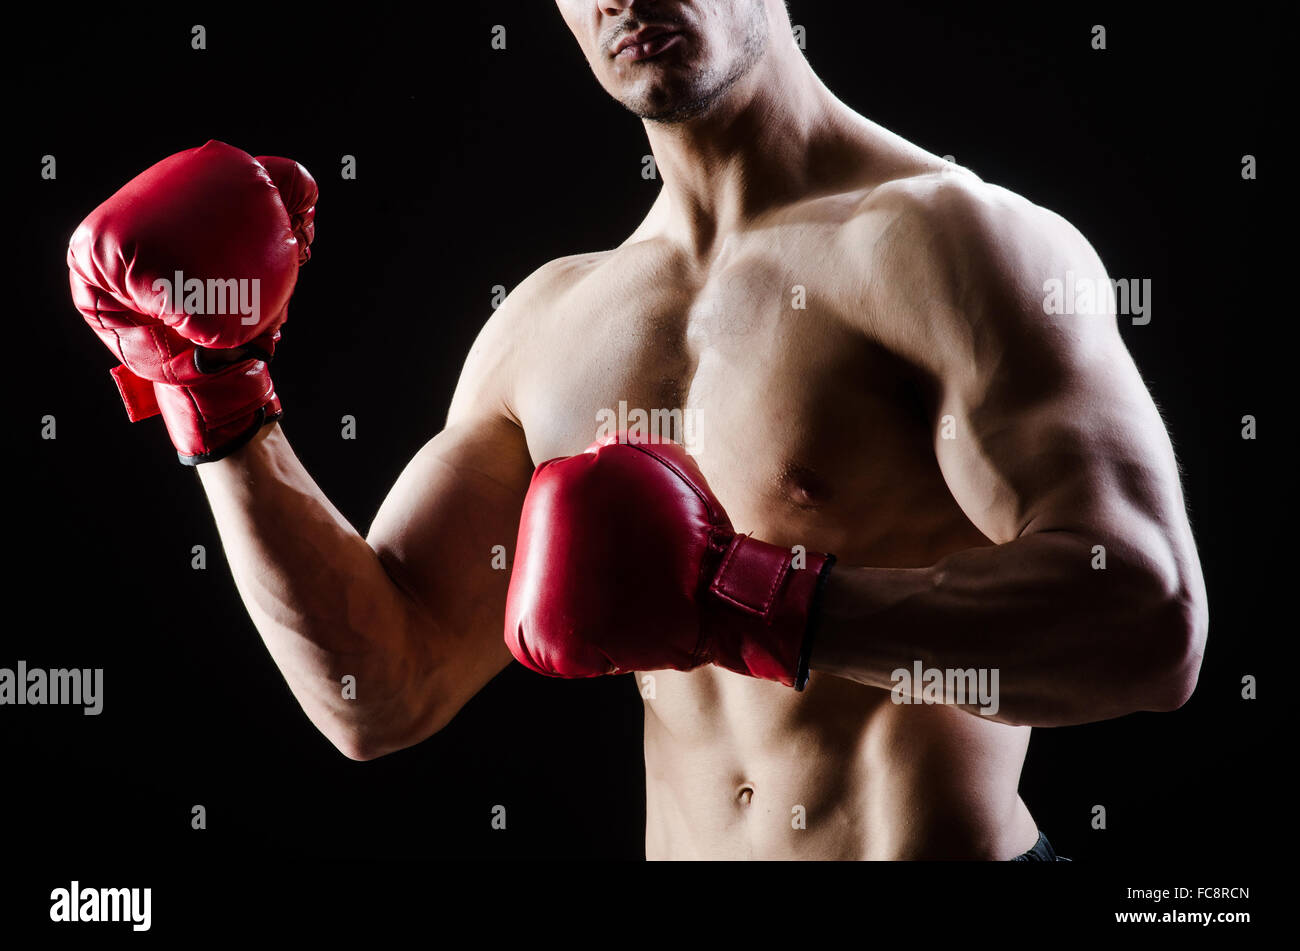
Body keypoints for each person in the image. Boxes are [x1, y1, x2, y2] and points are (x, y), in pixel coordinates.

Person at [67, 0, 1207, 860]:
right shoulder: (553, 319)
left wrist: (749, 601)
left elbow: (1148, 626)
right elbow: (380, 690)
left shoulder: (950, 243)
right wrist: (216, 398)